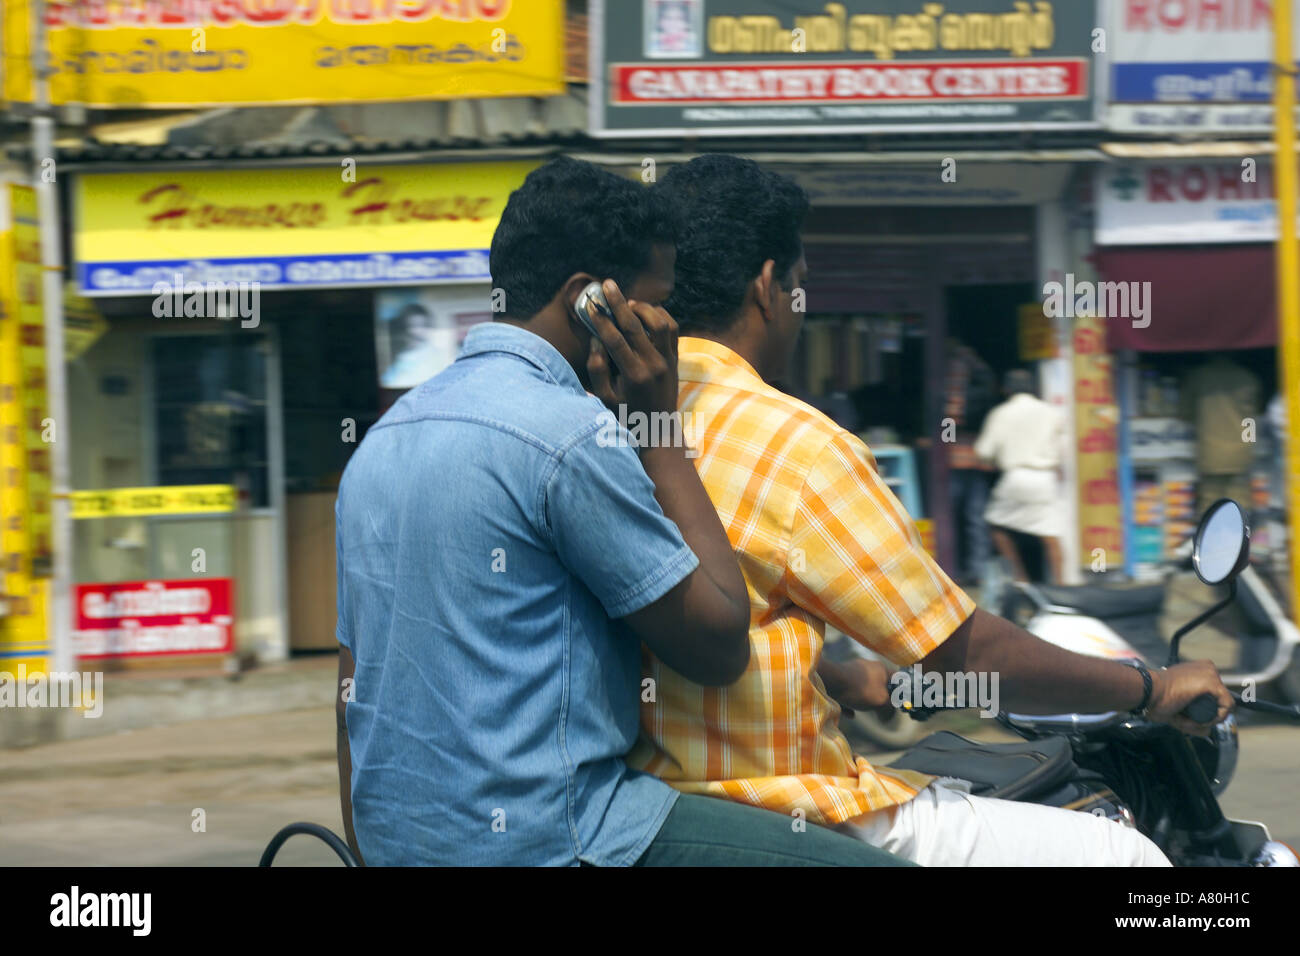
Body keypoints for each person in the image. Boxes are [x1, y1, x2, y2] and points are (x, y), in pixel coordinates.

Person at [629, 153, 1233, 866]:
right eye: (799, 286)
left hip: (654, 800)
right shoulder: (797, 444)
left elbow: (691, 628)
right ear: (767, 287)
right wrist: (1151, 688)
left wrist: (841, 678)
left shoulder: (611, 415)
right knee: (1125, 857)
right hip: (785, 804)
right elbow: (958, 647)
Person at [334, 157, 908, 867]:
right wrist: (657, 427)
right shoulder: (569, 436)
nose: (669, 332)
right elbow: (719, 645)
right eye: (658, 308)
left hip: (396, 843)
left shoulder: (384, 441)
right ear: (588, 303)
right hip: (561, 836)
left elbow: (352, 682)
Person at [974, 368, 1067, 585]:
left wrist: (992, 461)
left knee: (996, 525)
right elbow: (1062, 448)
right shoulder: (1051, 413)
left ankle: (1020, 579)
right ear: (1034, 389)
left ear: (1006, 390)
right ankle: (1062, 585)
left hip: (1015, 478)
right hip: (1045, 478)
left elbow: (984, 451)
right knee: (1050, 534)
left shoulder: (1000, 413)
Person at [943, 338, 998, 587]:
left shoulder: (954, 364)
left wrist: (943, 441)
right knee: (976, 516)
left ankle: (950, 568)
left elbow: (953, 413)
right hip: (978, 456)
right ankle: (979, 570)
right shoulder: (981, 368)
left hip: (956, 456)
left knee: (948, 514)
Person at [1181, 355, 1261, 515]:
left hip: (1211, 453)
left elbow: (1185, 412)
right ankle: (1240, 540)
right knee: (1240, 507)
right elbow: (1253, 416)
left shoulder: (1198, 377)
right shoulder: (1248, 377)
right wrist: (1249, 443)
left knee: (1210, 508)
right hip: (1240, 454)